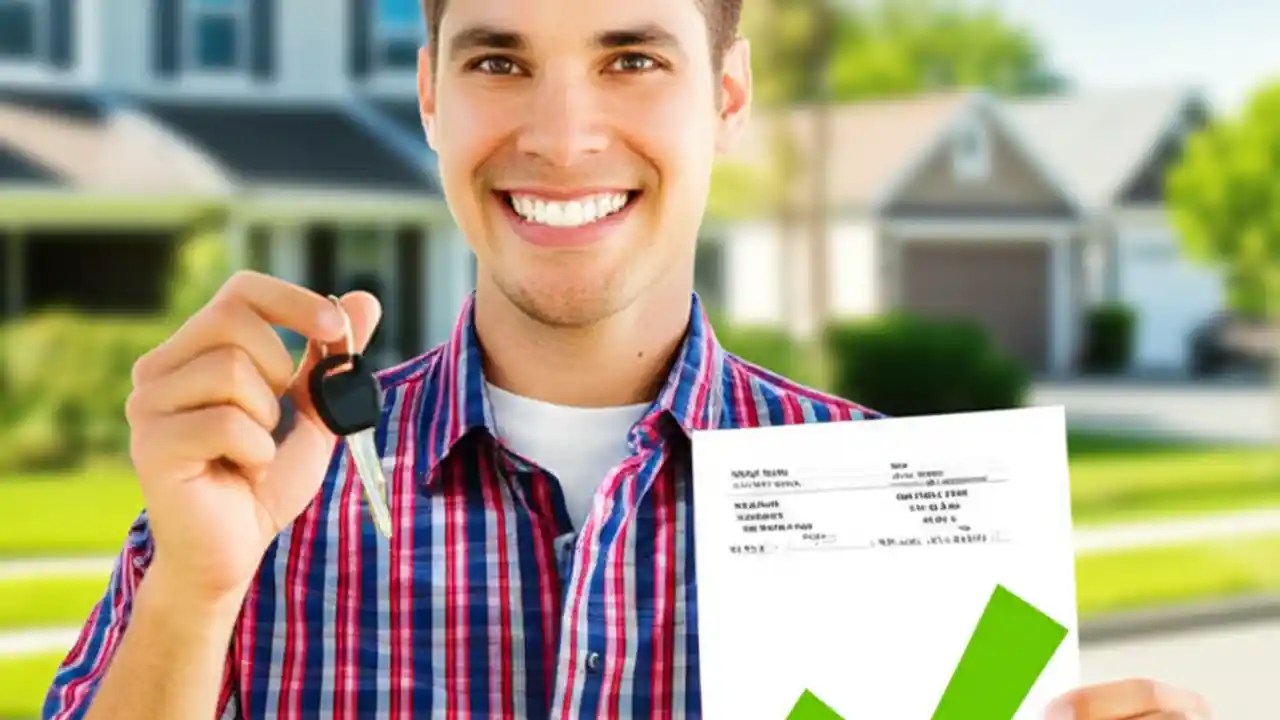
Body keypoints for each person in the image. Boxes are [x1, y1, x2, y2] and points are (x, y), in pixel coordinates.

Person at [45, 0, 1214, 717]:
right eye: (498, 62)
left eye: (631, 59)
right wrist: (197, 598)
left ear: (726, 94)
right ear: (429, 97)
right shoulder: (252, 503)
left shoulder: (903, 509)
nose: (559, 139)